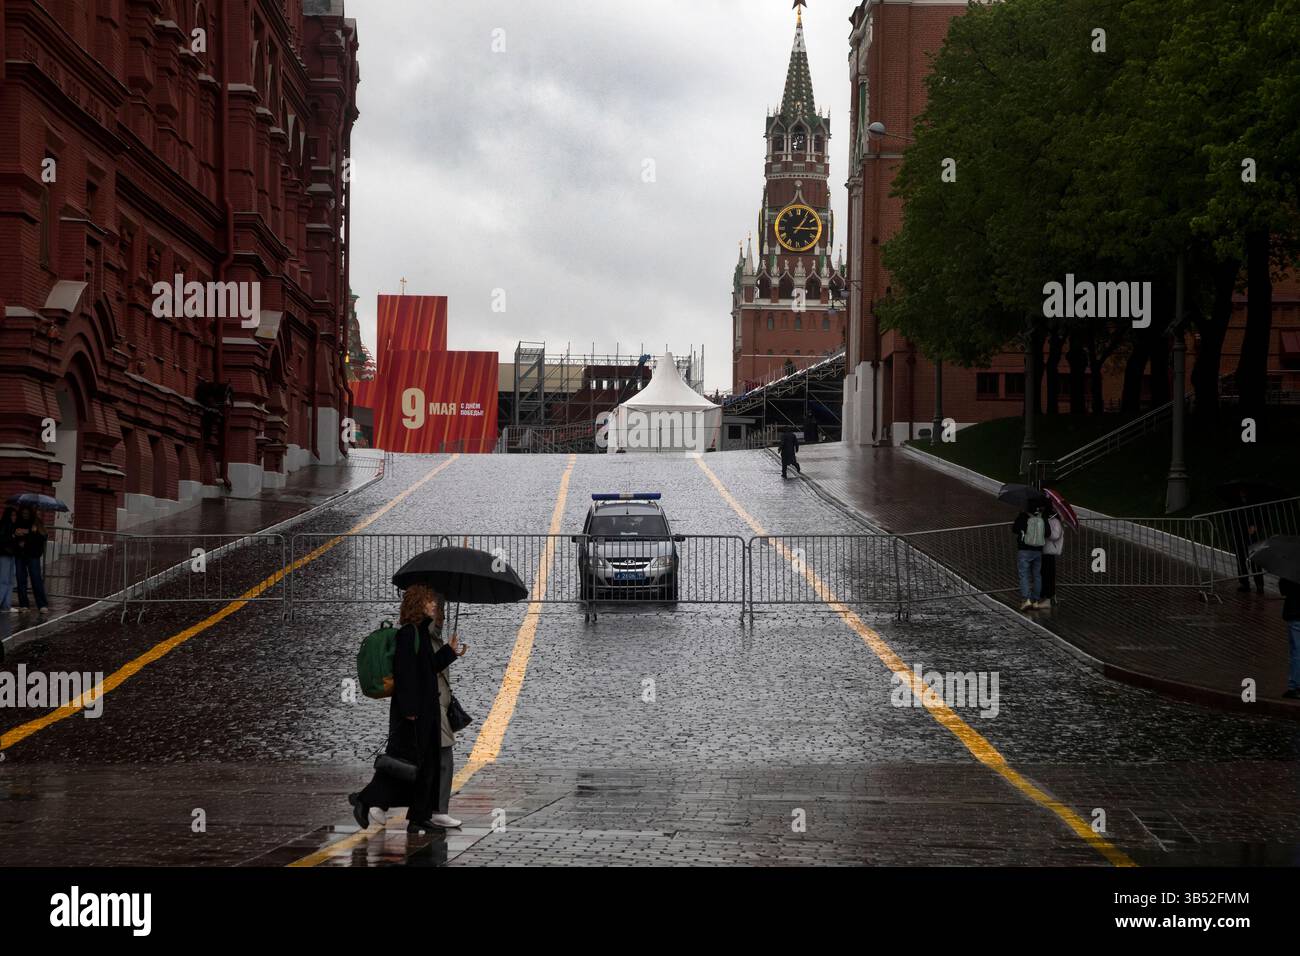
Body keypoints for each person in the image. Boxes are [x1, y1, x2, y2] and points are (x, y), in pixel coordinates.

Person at [349, 584, 467, 833]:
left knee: (426, 766)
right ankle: (367, 800)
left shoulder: (422, 634)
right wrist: (410, 709)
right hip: (414, 712)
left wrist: (450, 651)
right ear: (418, 605)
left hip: (427, 710)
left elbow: (429, 667)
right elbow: (405, 675)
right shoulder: (408, 635)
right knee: (409, 765)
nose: (434, 605)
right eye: (430, 602)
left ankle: (419, 816)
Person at [13, 505, 49, 612]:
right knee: (20, 579)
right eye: (23, 513)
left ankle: (42, 604)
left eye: (27, 513)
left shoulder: (36, 522)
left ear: (30, 513)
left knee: (36, 579)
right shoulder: (17, 523)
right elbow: (13, 536)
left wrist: (31, 532)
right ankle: (24, 604)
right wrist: (17, 537)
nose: (25, 515)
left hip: (33, 555)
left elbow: (43, 536)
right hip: (20, 555)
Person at [1229, 490, 1265, 594]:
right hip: (1239, 535)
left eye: (1244, 490)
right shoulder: (1234, 503)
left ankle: (1259, 584)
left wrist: (1256, 526)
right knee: (1241, 560)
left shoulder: (1255, 502)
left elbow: (1261, 516)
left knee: (1255, 560)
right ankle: (1244, 583)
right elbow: (1231, 518)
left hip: (1252, 536)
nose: (1242, 492)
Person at [1013, 500, 1047, 611]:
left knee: (1024, 575)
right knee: (1037, 575)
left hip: (1024, 549)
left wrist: (1020, 515)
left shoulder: (1023, 516)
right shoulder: (1041, 517)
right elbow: (1048, 533)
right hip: (1038, 550)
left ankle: (1027, 599)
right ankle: (1036, 601)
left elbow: (1015, 529)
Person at [1039, 507, 1065, 609]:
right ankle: (1050, 596)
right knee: (1044, 574)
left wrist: (1045, 525)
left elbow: (1054, 535)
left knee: (1048, 575)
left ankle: (1049, 598)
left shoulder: (1054, 521)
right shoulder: (1047, 520)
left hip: (1049, 551)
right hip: (1044, 551)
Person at [1280, 577, 1300, 700]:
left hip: (1295, 614)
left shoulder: (1290, 571)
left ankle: (1295, 686)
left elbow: (1284, 589)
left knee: (1296, 651)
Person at [0, 507, 17, 614]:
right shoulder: (3, 525)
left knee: (10, 581)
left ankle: (6, 605)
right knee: (4, 580)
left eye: (15, 515)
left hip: (11, 555)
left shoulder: (13, 526)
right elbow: (2, 540)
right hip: (4, 555)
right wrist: (13, 536)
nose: (14, 517)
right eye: (13, 515)